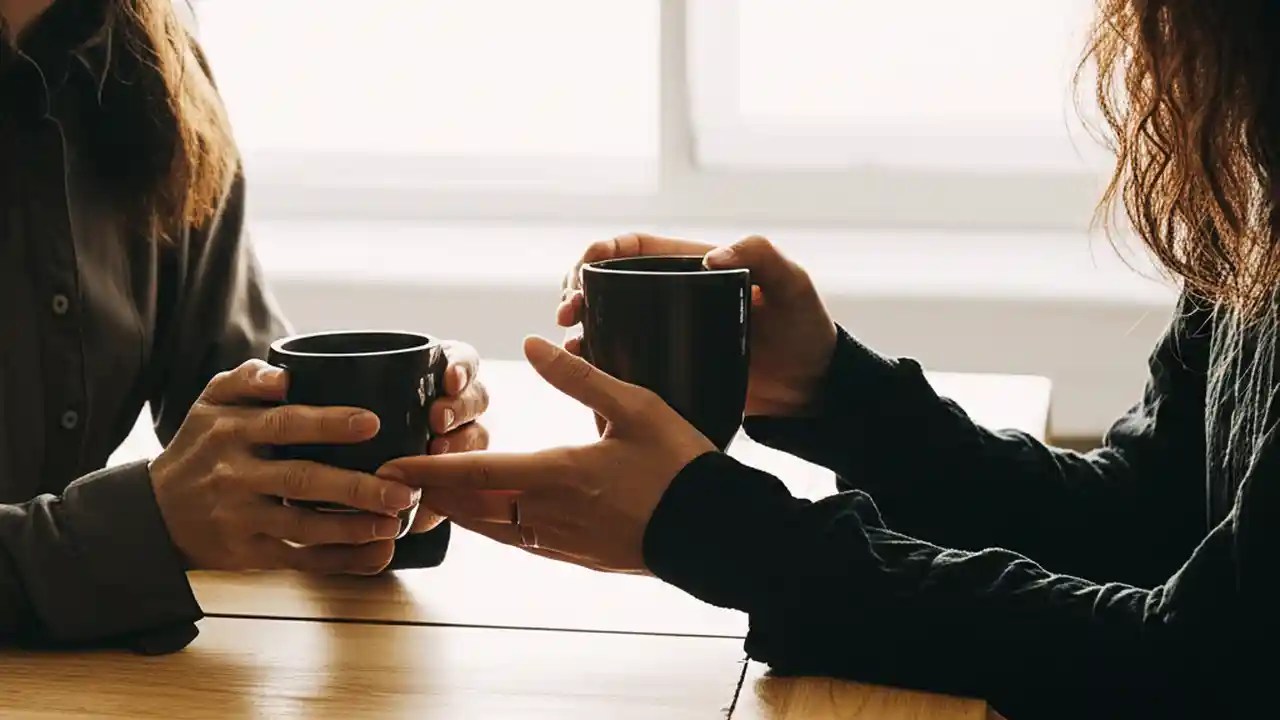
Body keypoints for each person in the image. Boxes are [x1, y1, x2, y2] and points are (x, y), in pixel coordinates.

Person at [380, 1, 1279, 717]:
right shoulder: (1255, 178)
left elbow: (1204, 667)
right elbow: (1145, 521)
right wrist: (830, 391)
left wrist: (714, 529)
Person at [0, 0, 489, 655]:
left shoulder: (151, 58)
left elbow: (237, 436)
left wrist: (385, 468)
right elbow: (173, 513)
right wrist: (142, 529)